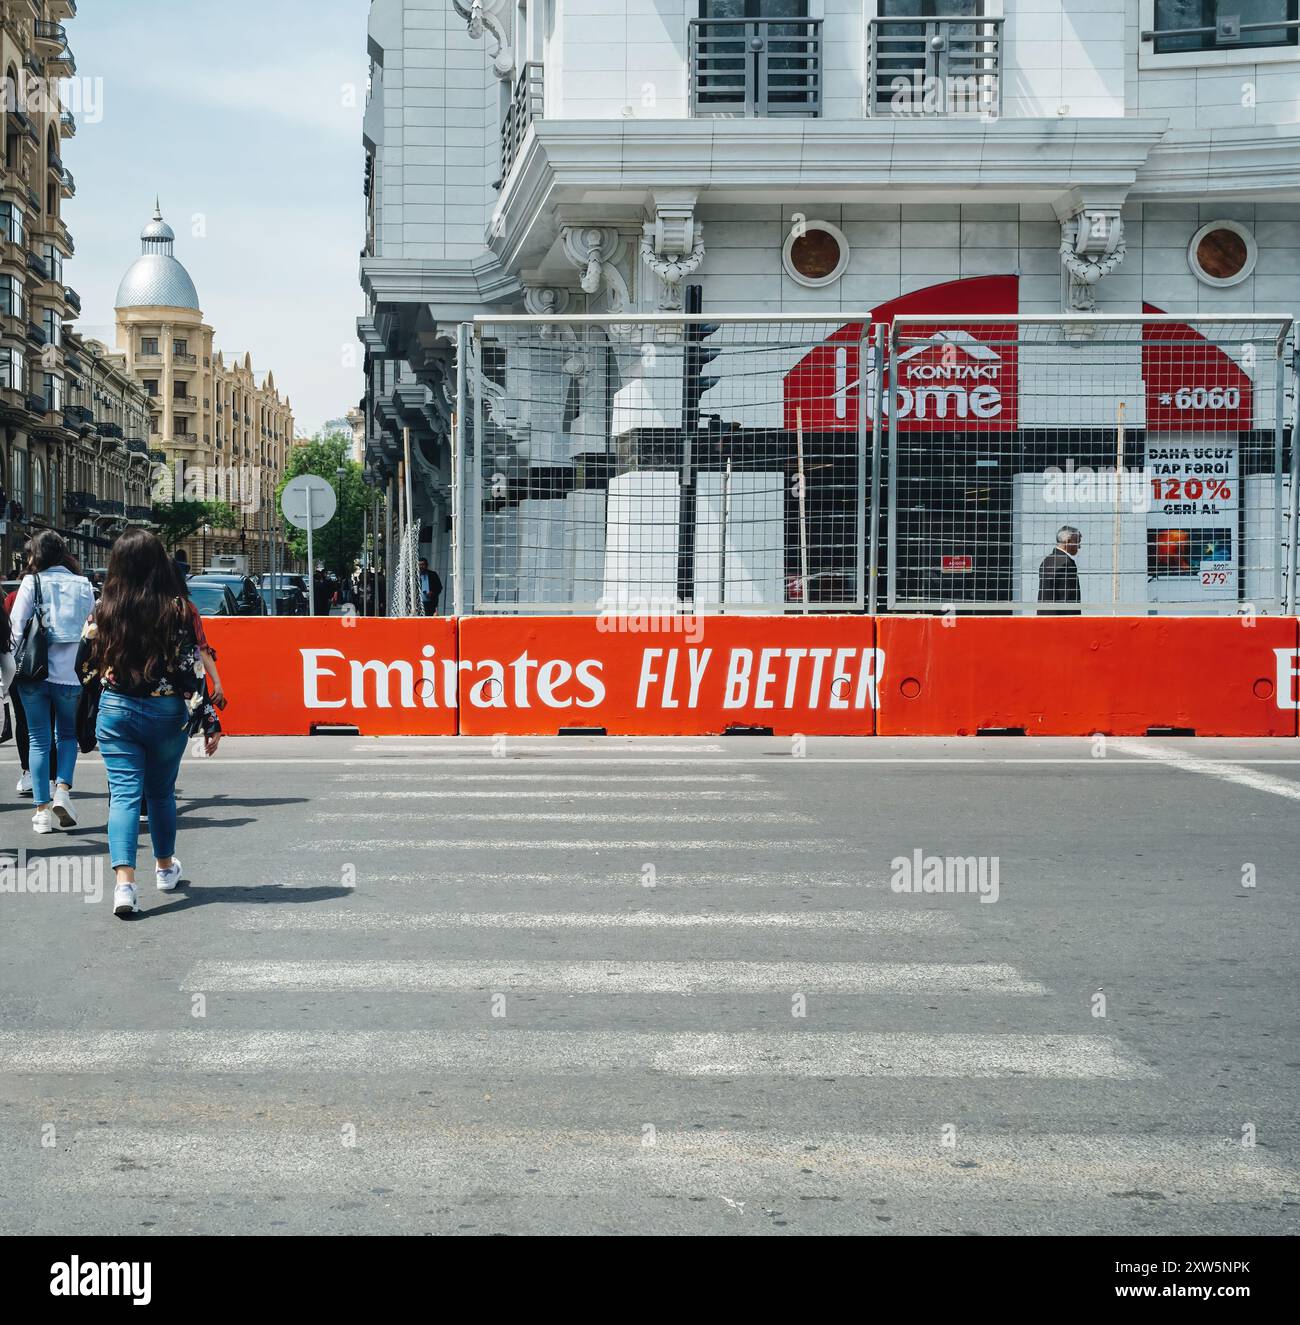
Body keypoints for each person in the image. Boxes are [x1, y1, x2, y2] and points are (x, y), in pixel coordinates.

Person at [76, 529, 223, 919]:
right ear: (159, 562)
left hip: (117, 709)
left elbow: (83, 661)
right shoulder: (176, 608)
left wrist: (103, 685)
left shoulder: (103, 608)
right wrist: (209, 717)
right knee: (160, 794)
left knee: (124, 795)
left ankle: (124, 886)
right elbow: (191, 671)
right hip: (165, 712)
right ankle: (164, 868)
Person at [7, 532, 97, 832]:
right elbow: (92, 630)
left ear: (37, 556)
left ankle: (42, 811)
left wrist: (9, 669)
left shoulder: (31, 583)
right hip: (71, 674)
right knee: (67, 735)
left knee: (38, 738)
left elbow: (16, 629)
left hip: (34, 673)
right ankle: (62, 790)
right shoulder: (83, 585)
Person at [1038, 525, 1083, 615]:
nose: (1079, 547)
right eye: (1077, 542)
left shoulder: (1047, 561)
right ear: (1068, 542)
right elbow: (1068, 598)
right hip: (1061, 620)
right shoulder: (1067, 564)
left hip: (1044, 615)